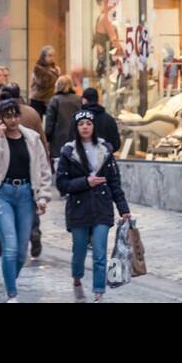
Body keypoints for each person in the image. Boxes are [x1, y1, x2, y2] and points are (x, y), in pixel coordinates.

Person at [0, 98, 53, 302]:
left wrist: (43, 197)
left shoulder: (32, 138)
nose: (12, 120)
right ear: (0, 118)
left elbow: (43, 169)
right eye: (8, 116)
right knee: (8, 245)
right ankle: (11, 292)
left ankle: (7, 276)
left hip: (25, 196)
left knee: (21, 253)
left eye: (15, 115)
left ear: (20, 116)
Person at [56, 108, 132, 301]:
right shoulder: (68, 152)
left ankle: (99, 290)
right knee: (79, 249)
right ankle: (77, 274)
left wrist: (123, 209)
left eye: (88, 123)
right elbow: (62, 185)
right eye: (81, 124)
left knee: (99, 251)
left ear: (93, 126)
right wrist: (85, 182)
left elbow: (115, 182)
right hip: (79, 207)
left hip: (102, 205)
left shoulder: (105, 150)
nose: (85, 127)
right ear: (76, 127)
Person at [45, 75, 81, 158]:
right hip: (76, 140)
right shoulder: (78, 100)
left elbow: (49, 124)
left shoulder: (55, 100)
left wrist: (47, 138)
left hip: (58, 142)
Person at [79, 87, 121, 152]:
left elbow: (72, 140)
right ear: (97, 100)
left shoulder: (79, 119)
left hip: (82, 160)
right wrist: (106, 154)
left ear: (85, 100)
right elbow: (116, 144)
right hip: (104, 160)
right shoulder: (109, 119)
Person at [30, 46, 60, 117]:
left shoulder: (54, 68)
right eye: (49, 55)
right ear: (43, 56)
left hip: (50, 99)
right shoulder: (38, 68)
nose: (52, 58)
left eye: (53, 56)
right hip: (38, 99)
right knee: (37, 122)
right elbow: (43, 83)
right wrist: (56, 74)